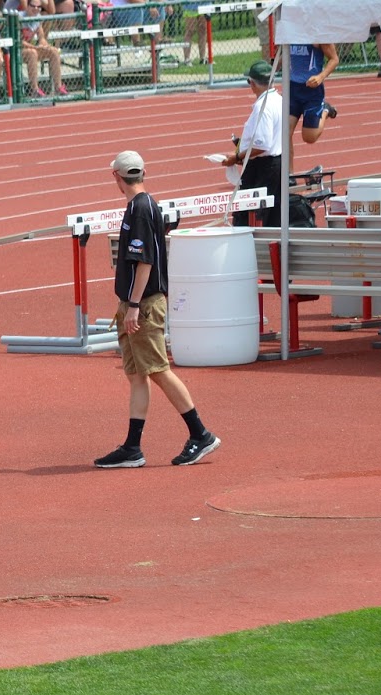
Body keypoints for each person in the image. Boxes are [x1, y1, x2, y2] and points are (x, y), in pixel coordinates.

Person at [94, 151, 219, 470]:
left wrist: (133, 305)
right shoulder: (145, 205)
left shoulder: (138, 208)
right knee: (137, 374)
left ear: (117, 178)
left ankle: (200, 433)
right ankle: (133, 447)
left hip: (144, 304)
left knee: (158, 370)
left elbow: (144, 261)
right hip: (139, 302)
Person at [218, 59, 282, 228]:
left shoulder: (263, 106)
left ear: (252, 83)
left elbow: (262, 144)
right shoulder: (279, 100)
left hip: (263, 167)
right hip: (275, 164)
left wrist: (237, 156)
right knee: (272, 213)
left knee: (248, 213)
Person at [286, 41, 337, 154]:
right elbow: (286, 55)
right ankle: (289, 171)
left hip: (312, 91)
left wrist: (321, 76)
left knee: (309, 137)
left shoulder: (317, 34)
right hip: (292, 89)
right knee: (284, 135)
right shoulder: (290, 31)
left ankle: (325, 110)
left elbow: (334, 59)